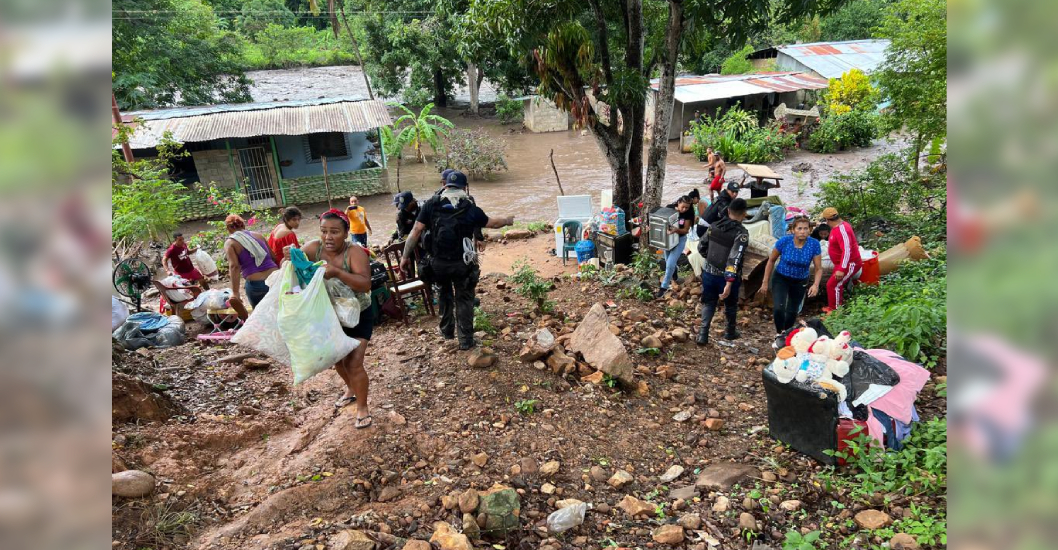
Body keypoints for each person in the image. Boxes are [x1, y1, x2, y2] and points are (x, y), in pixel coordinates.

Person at [400, 171, 514, 350]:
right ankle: (466, 340)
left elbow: (415, 231)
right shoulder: (469, 207)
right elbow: (492, 223)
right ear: (465, 187)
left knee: (444, 294)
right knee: (464, 299)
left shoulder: (431, 204)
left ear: (445, 185)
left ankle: (447, 332)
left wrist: (405, 257)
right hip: (462, 264)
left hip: (438, 263)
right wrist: (507, 220)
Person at [285, 209, 374, 428]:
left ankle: (362, 408)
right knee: (338, 359)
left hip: (358, 314)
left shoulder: (355, 253)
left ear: (346, 233)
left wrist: (337, 272)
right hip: (329, 315)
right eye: (324, 231)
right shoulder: (313, 249)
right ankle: (351, 389)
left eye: (334, 232)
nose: (328, 237)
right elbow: (293, 267)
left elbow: (365, 284)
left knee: (354, 362)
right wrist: (290, 257)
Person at [696, 198, 749, 345]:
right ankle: (730, 332)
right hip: (727, 278)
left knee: (708, 302)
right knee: (730, 304)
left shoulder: (714, 226)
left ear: (728, 210)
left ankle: (703, 335)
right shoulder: (741, 234)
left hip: (709, 272)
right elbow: (734, 259)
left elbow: (701, 247)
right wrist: (729, 282)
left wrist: (710, 260)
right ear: (744, 214)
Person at [758, 216, 823, 335]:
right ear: (793, 230)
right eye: (799, 228)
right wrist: (765, 282)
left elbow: (818, 268)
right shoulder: (784, 241)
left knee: (792, 311)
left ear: (810, 230)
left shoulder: (814, 244)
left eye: (805, 228)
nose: (802, 231)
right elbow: (771, 260)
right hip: (781, 278)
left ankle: (786, 333)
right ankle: (779, 333)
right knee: (779, 308)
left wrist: (816, 285)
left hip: (800, 280)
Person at [223, 214, 278, 308]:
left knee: (260, 313)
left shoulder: (230, 243)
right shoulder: (258, 236)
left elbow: (234, 267)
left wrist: (235, 293)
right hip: (275, 278)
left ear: (228, 228)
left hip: (257, 285)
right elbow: (273, 257)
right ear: (243, 225)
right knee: (279, 309)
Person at [821, 207, 861, 312]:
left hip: (849, 263)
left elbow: (847, 250)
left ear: (827, 220)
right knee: (835, 285)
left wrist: (842, 269)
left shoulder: (842, 230)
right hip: (840, 263)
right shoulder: (837, 227)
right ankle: (834, 306)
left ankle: (835, 311)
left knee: (833, 285)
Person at [657, 196, 695, 298]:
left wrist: (676, 230)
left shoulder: (688, 214)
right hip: (668, 239)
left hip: (680, 240)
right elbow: (660, 219)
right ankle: (675, 274)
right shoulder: (669, 208)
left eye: (687, 207)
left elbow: (685, 230)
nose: (684, 209)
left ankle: (664, 287)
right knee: (667, 260)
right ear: (678, 203)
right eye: (683, 207)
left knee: (669, 264)